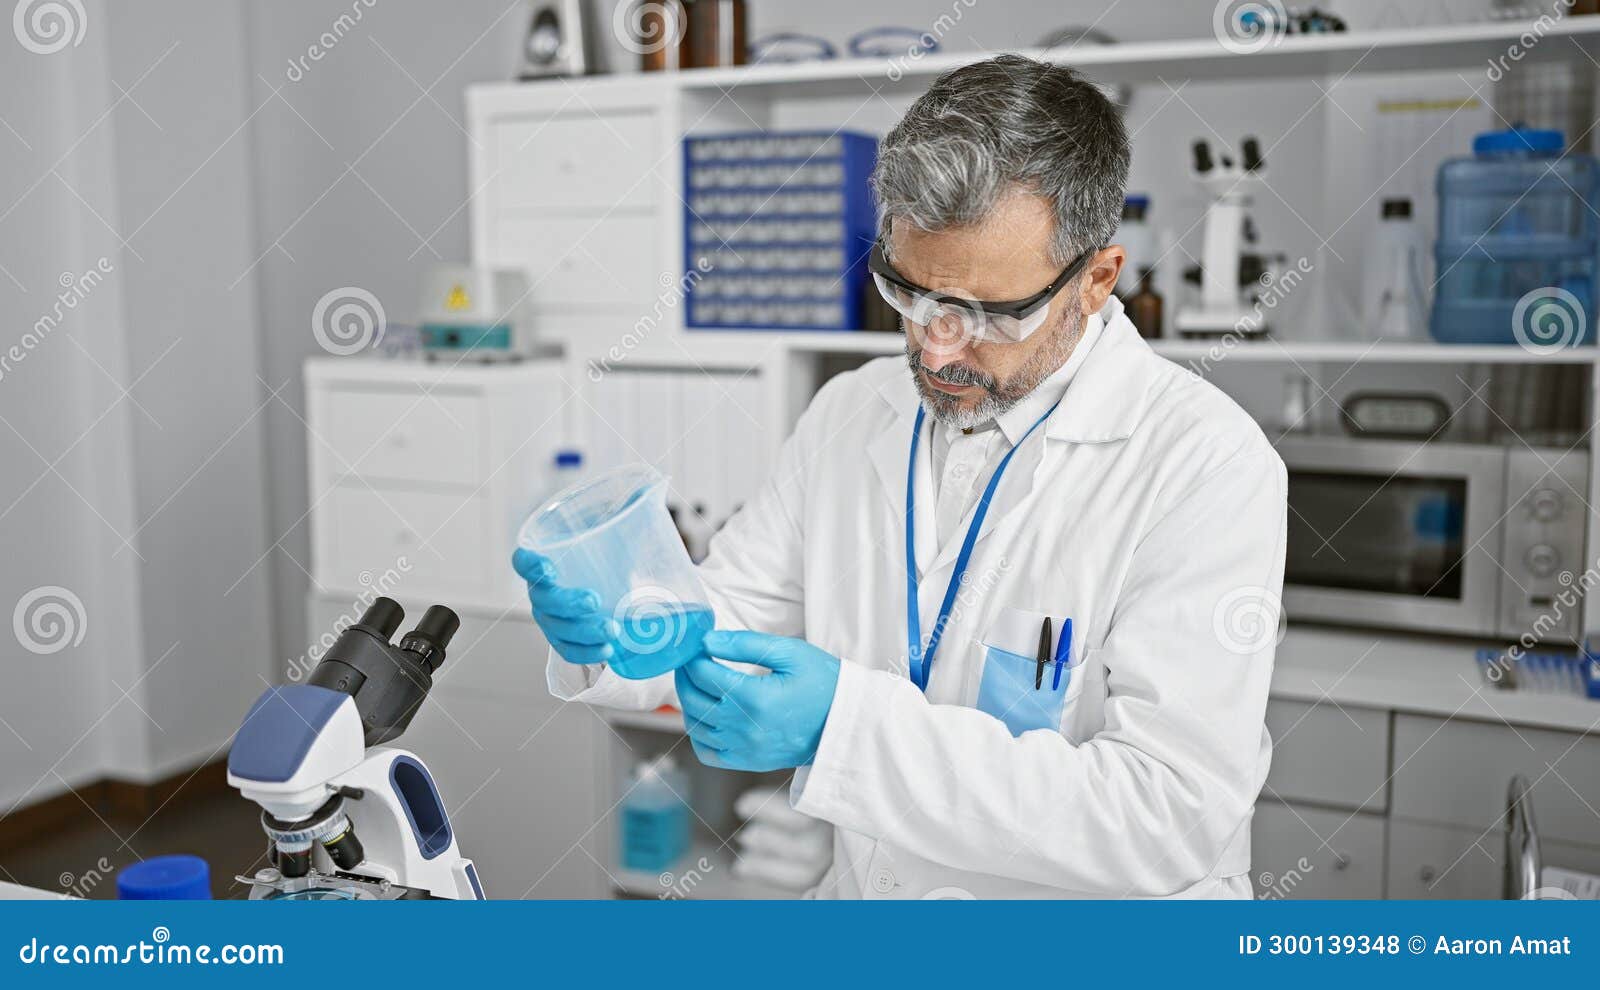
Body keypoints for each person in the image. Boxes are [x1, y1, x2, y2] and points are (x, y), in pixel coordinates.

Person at [513, 54, 1286, 899]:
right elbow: (731, 617)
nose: (937, 345)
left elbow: (1164, 817)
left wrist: (844, 728)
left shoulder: (1205, 464)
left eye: (989, 312)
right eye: (909, 293)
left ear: (1097, 280)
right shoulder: (853, 410)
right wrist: (620, 628)